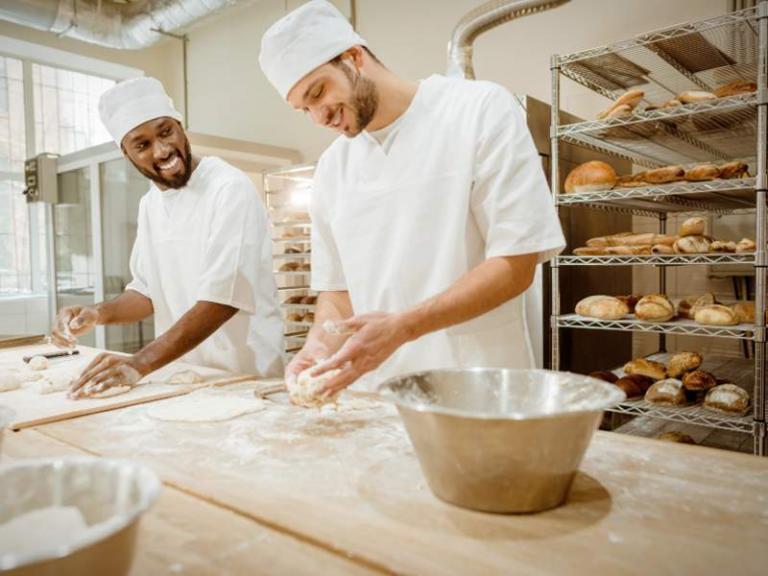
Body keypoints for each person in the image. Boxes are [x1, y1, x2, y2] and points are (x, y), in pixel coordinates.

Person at [259, 0, 565, 399]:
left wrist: (404, 327)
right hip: (378, 396)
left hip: (480, 388)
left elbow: (516, 262)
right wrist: (317, 348)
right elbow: (337, 293)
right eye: (305, 109)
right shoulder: (333, 168)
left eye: (318, 93)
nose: (320, 117)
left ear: (354, 58)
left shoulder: (478, 109)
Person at [51, 77, 284, 398]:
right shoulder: (150, 204)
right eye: (142, 145)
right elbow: (146, 293)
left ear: (180, 126)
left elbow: (223, 299)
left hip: (244, 375)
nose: (162, 151)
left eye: (165, 132)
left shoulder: (228, 188)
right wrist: (98, 313)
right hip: (181, 374)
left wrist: (139, 363)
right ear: (127, 153)